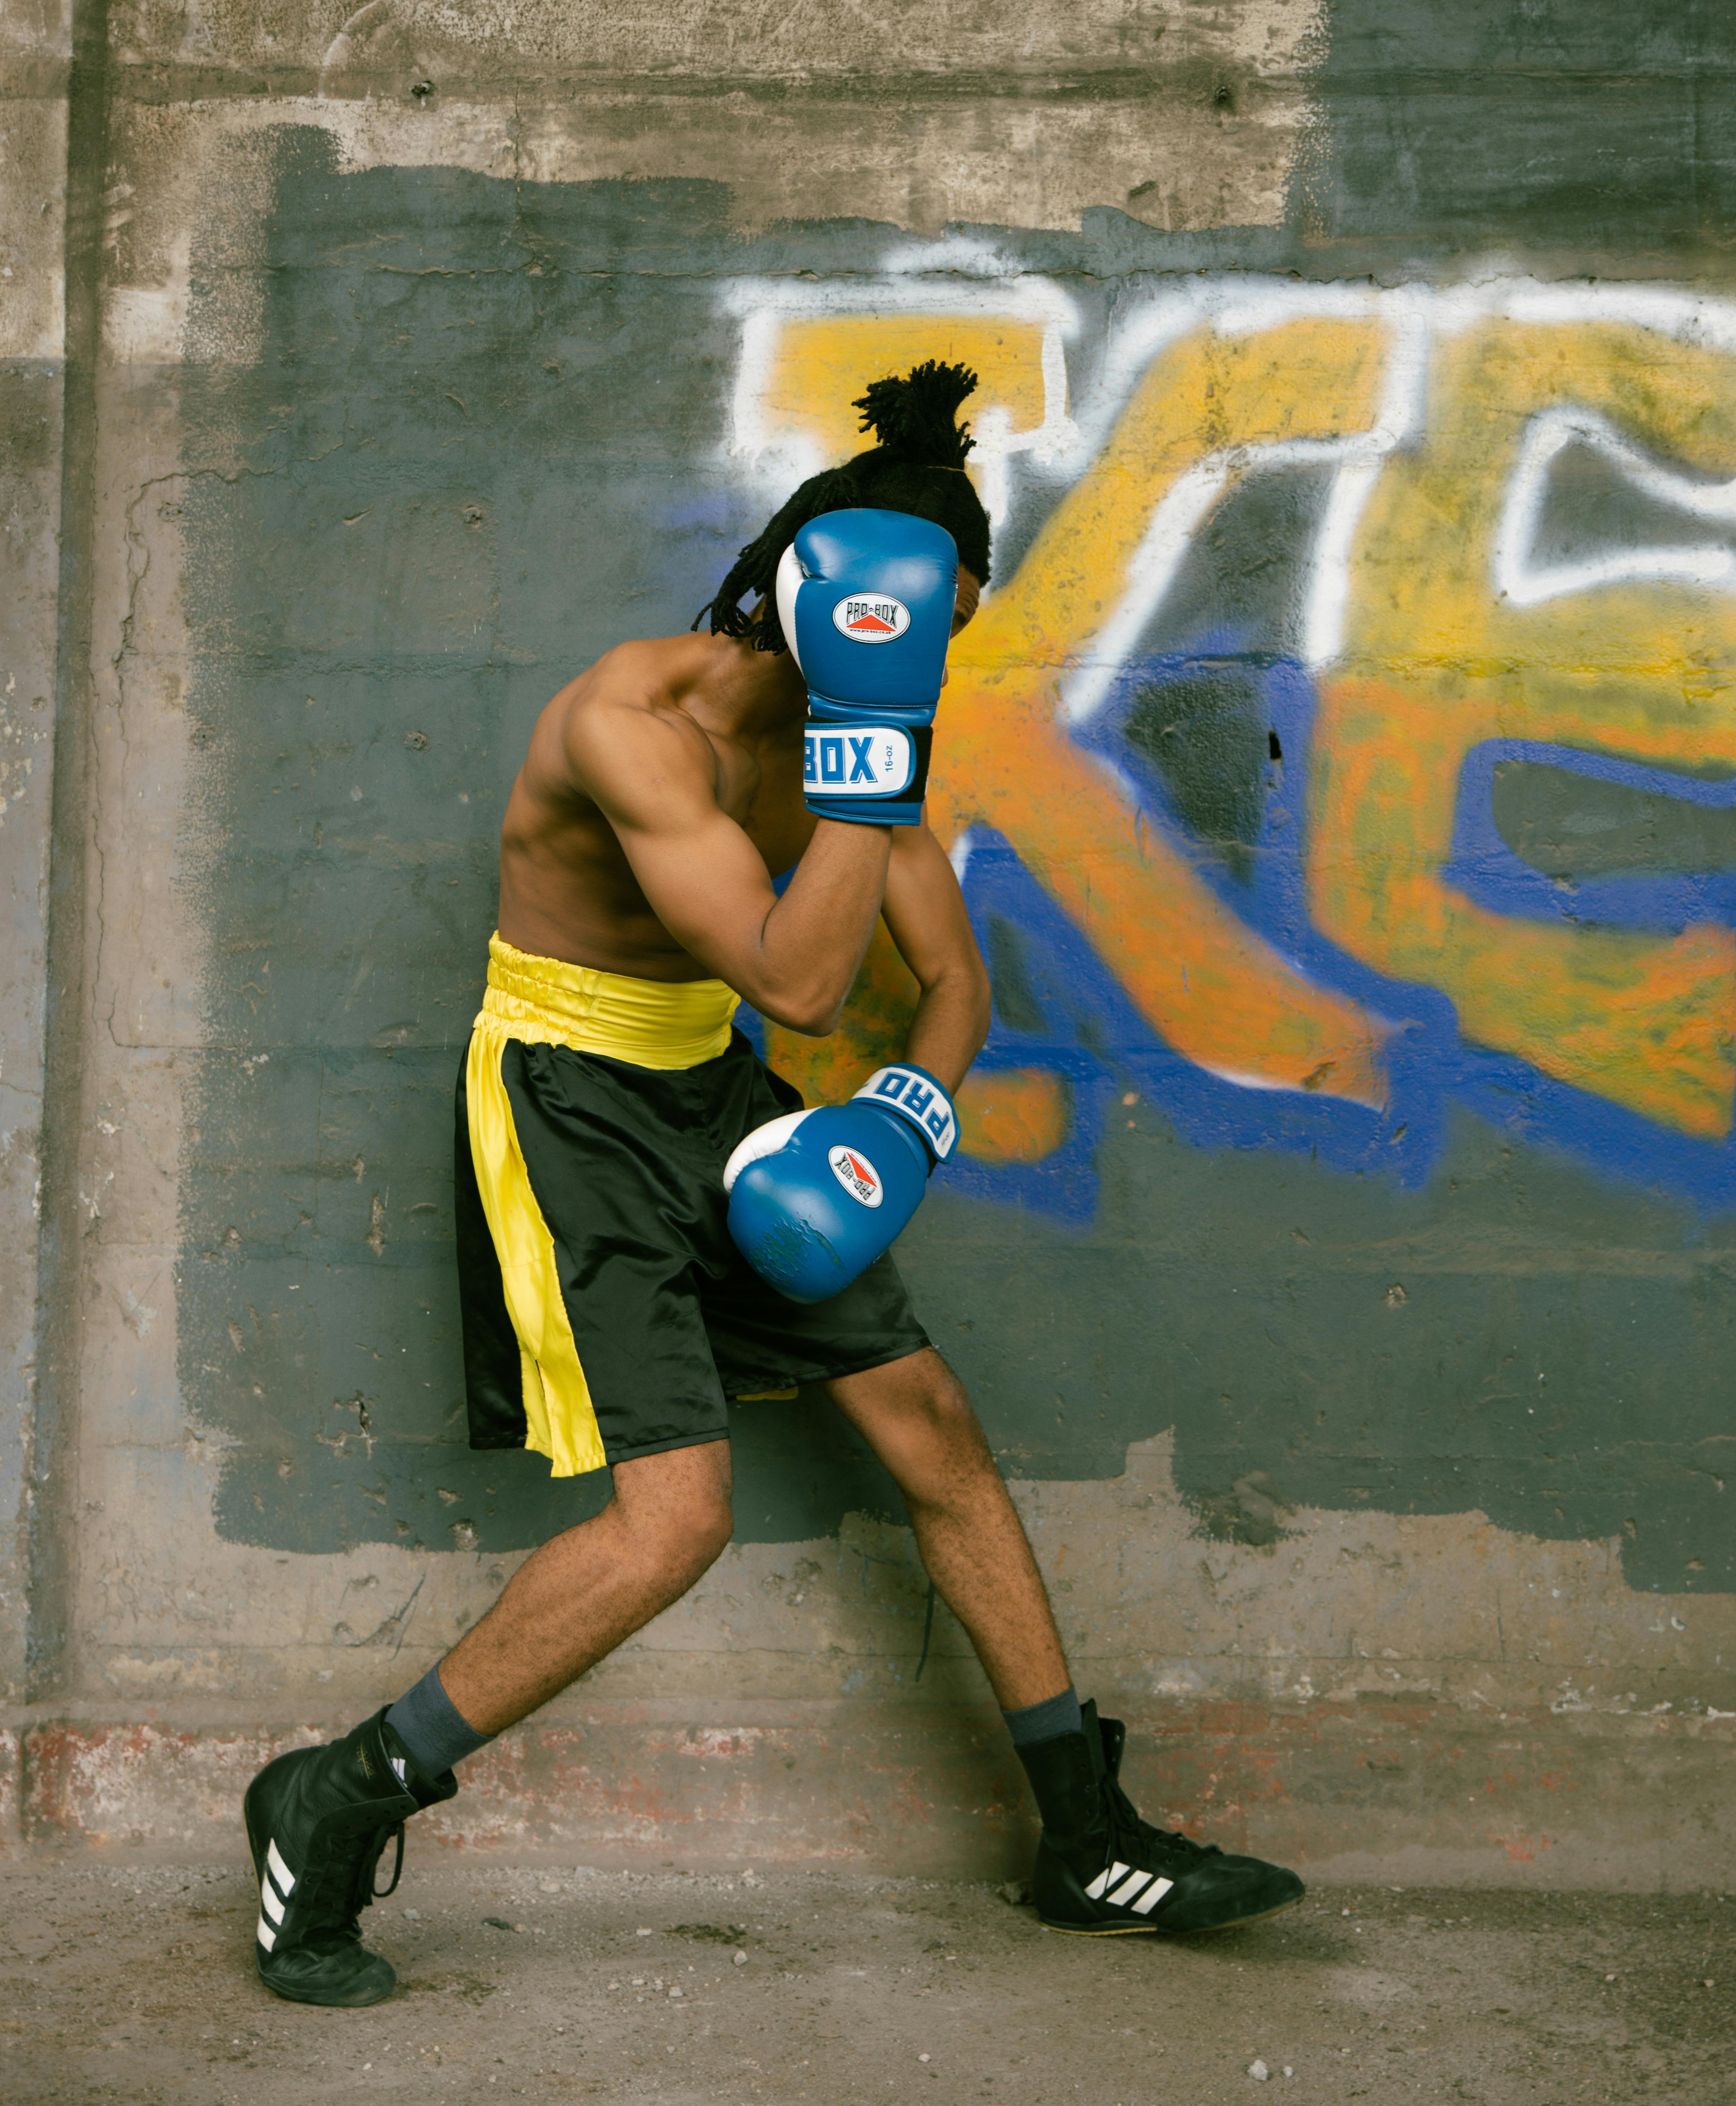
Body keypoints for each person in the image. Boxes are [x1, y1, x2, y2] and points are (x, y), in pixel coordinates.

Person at [241, 362, 1305, 2008]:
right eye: (893, 601)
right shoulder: (629, 722)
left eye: (939, 619)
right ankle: (341, 1792)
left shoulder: (852, 748)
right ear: (811, 586)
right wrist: (868, 761)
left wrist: (903, 1120)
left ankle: (1082, 1833)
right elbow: (801, 983)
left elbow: (947, 987)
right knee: (675, 1523)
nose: (914, 645)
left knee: (931, 1427)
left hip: (711, 1089)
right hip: (568, 1098)